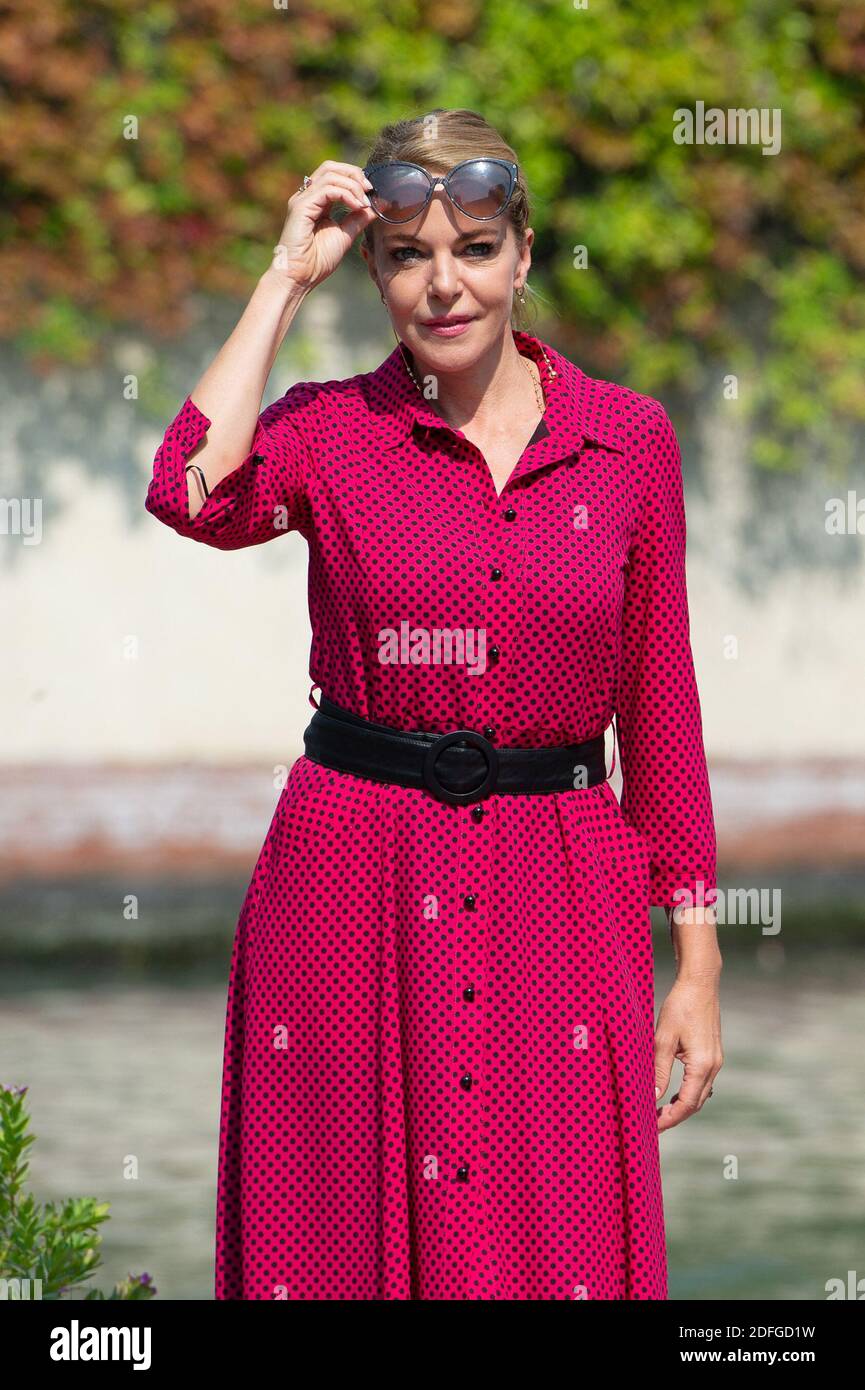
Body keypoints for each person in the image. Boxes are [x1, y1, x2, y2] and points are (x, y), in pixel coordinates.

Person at [144, 107, 722, 1301]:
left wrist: (698, 961)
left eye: (471, 248)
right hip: (348, 877)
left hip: (561, 884)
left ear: (521, 254)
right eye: (407, 255)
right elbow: (188, 491)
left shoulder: (628, 443)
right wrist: (282, 277)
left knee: (558, 1242)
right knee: (339, 1245)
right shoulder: (326, 432)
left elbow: (659, 706)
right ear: (374, 270)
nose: (441, 286)